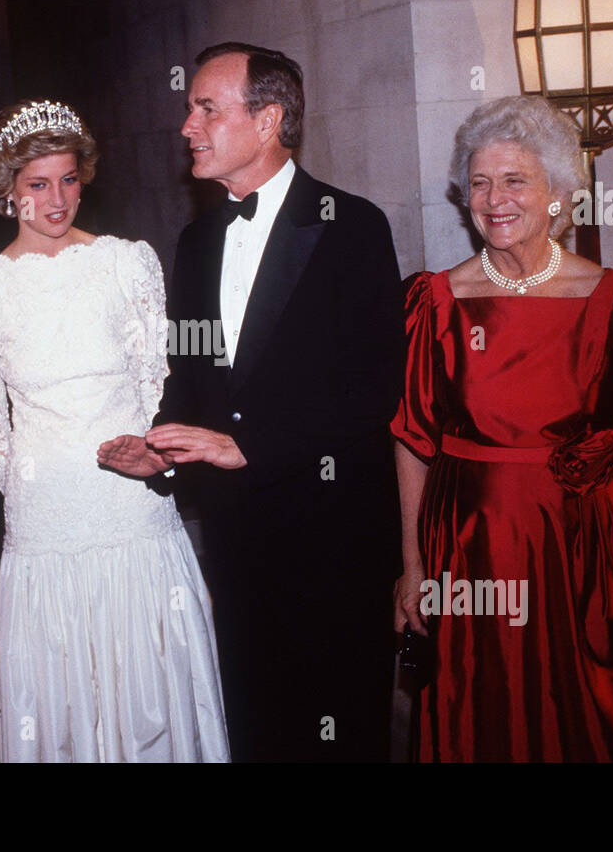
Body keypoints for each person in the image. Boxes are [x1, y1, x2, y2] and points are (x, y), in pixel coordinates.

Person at [100, 43, 404, 762]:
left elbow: (376, 386)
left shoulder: (352, 224)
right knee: (258, 725)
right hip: (238, 541)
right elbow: (192, 375)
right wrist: (163, 447)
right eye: (190, 108)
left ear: (267, 120)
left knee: (342, 728)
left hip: (334, 539)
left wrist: (254, 442)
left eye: (206, 107)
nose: (186, 126)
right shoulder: (198, 239)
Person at [390, 95, 613, 762]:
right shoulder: (435, 301)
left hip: (581, 552)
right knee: (480, 713)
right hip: (467, 551)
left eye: (514, 180)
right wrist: (414, 565)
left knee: (587, 718)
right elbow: (414, 440)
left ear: (559, 194)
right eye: (478, 181)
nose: (493, 198)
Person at [0, 100, 228, 763]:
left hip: (131, 506)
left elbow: (155, 386)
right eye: (38, 184)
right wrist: (40, 491)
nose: (57, 199)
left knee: (149, 689)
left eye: (69, 179)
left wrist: (152, 461)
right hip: (45, 519)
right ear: (6, 188)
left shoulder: (127, 262)